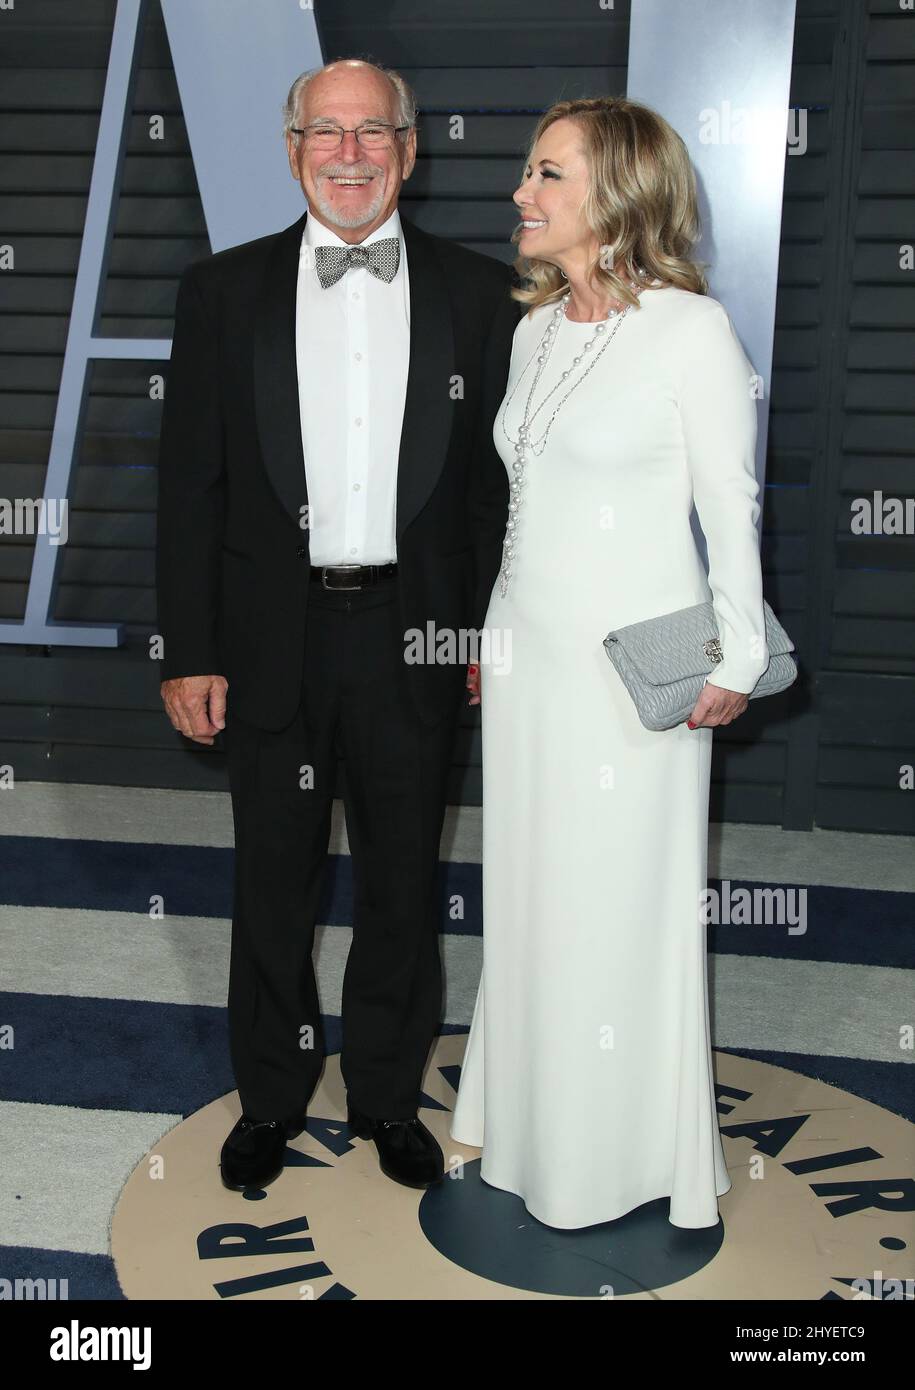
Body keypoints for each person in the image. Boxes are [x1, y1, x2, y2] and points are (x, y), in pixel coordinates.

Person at [155, 59, 516, 1193]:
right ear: (292, 146)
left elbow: (500, 496)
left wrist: (482, 639)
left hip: (417, 632)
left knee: (406, 881)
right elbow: (189, 489)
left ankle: (385, 1099)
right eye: (327, 131)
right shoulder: (222, 294)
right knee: (272, 879)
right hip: (270, 637)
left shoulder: (478, 293)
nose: (349, 153)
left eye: (374, 133)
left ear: (410, 151)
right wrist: (190, 647)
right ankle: (268, 1097)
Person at [450, 96, 770, 1229]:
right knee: (533, 894)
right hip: (530, 662)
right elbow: (528, 499)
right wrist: (494, 633)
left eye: (547, 175)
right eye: (528, 173)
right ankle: (532, 1127)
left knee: (616, 906)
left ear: (618, 195)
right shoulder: (535, 329)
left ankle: (616, 1160)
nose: (521, 194)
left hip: (639, 674)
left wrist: (735, 650)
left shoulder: (692, 331)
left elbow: (731, 507)